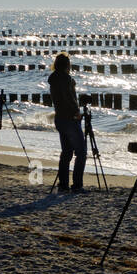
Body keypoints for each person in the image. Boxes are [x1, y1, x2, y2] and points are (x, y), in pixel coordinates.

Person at [47, 53, 85, 193]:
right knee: (81, 152)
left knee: (66, 153)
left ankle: (63, 184)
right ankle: (77, 185)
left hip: (59, 118)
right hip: (70, 119)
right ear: (66, 65)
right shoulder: (67, 79)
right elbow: (70, 99)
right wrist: (77, 112)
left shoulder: (53, 79)